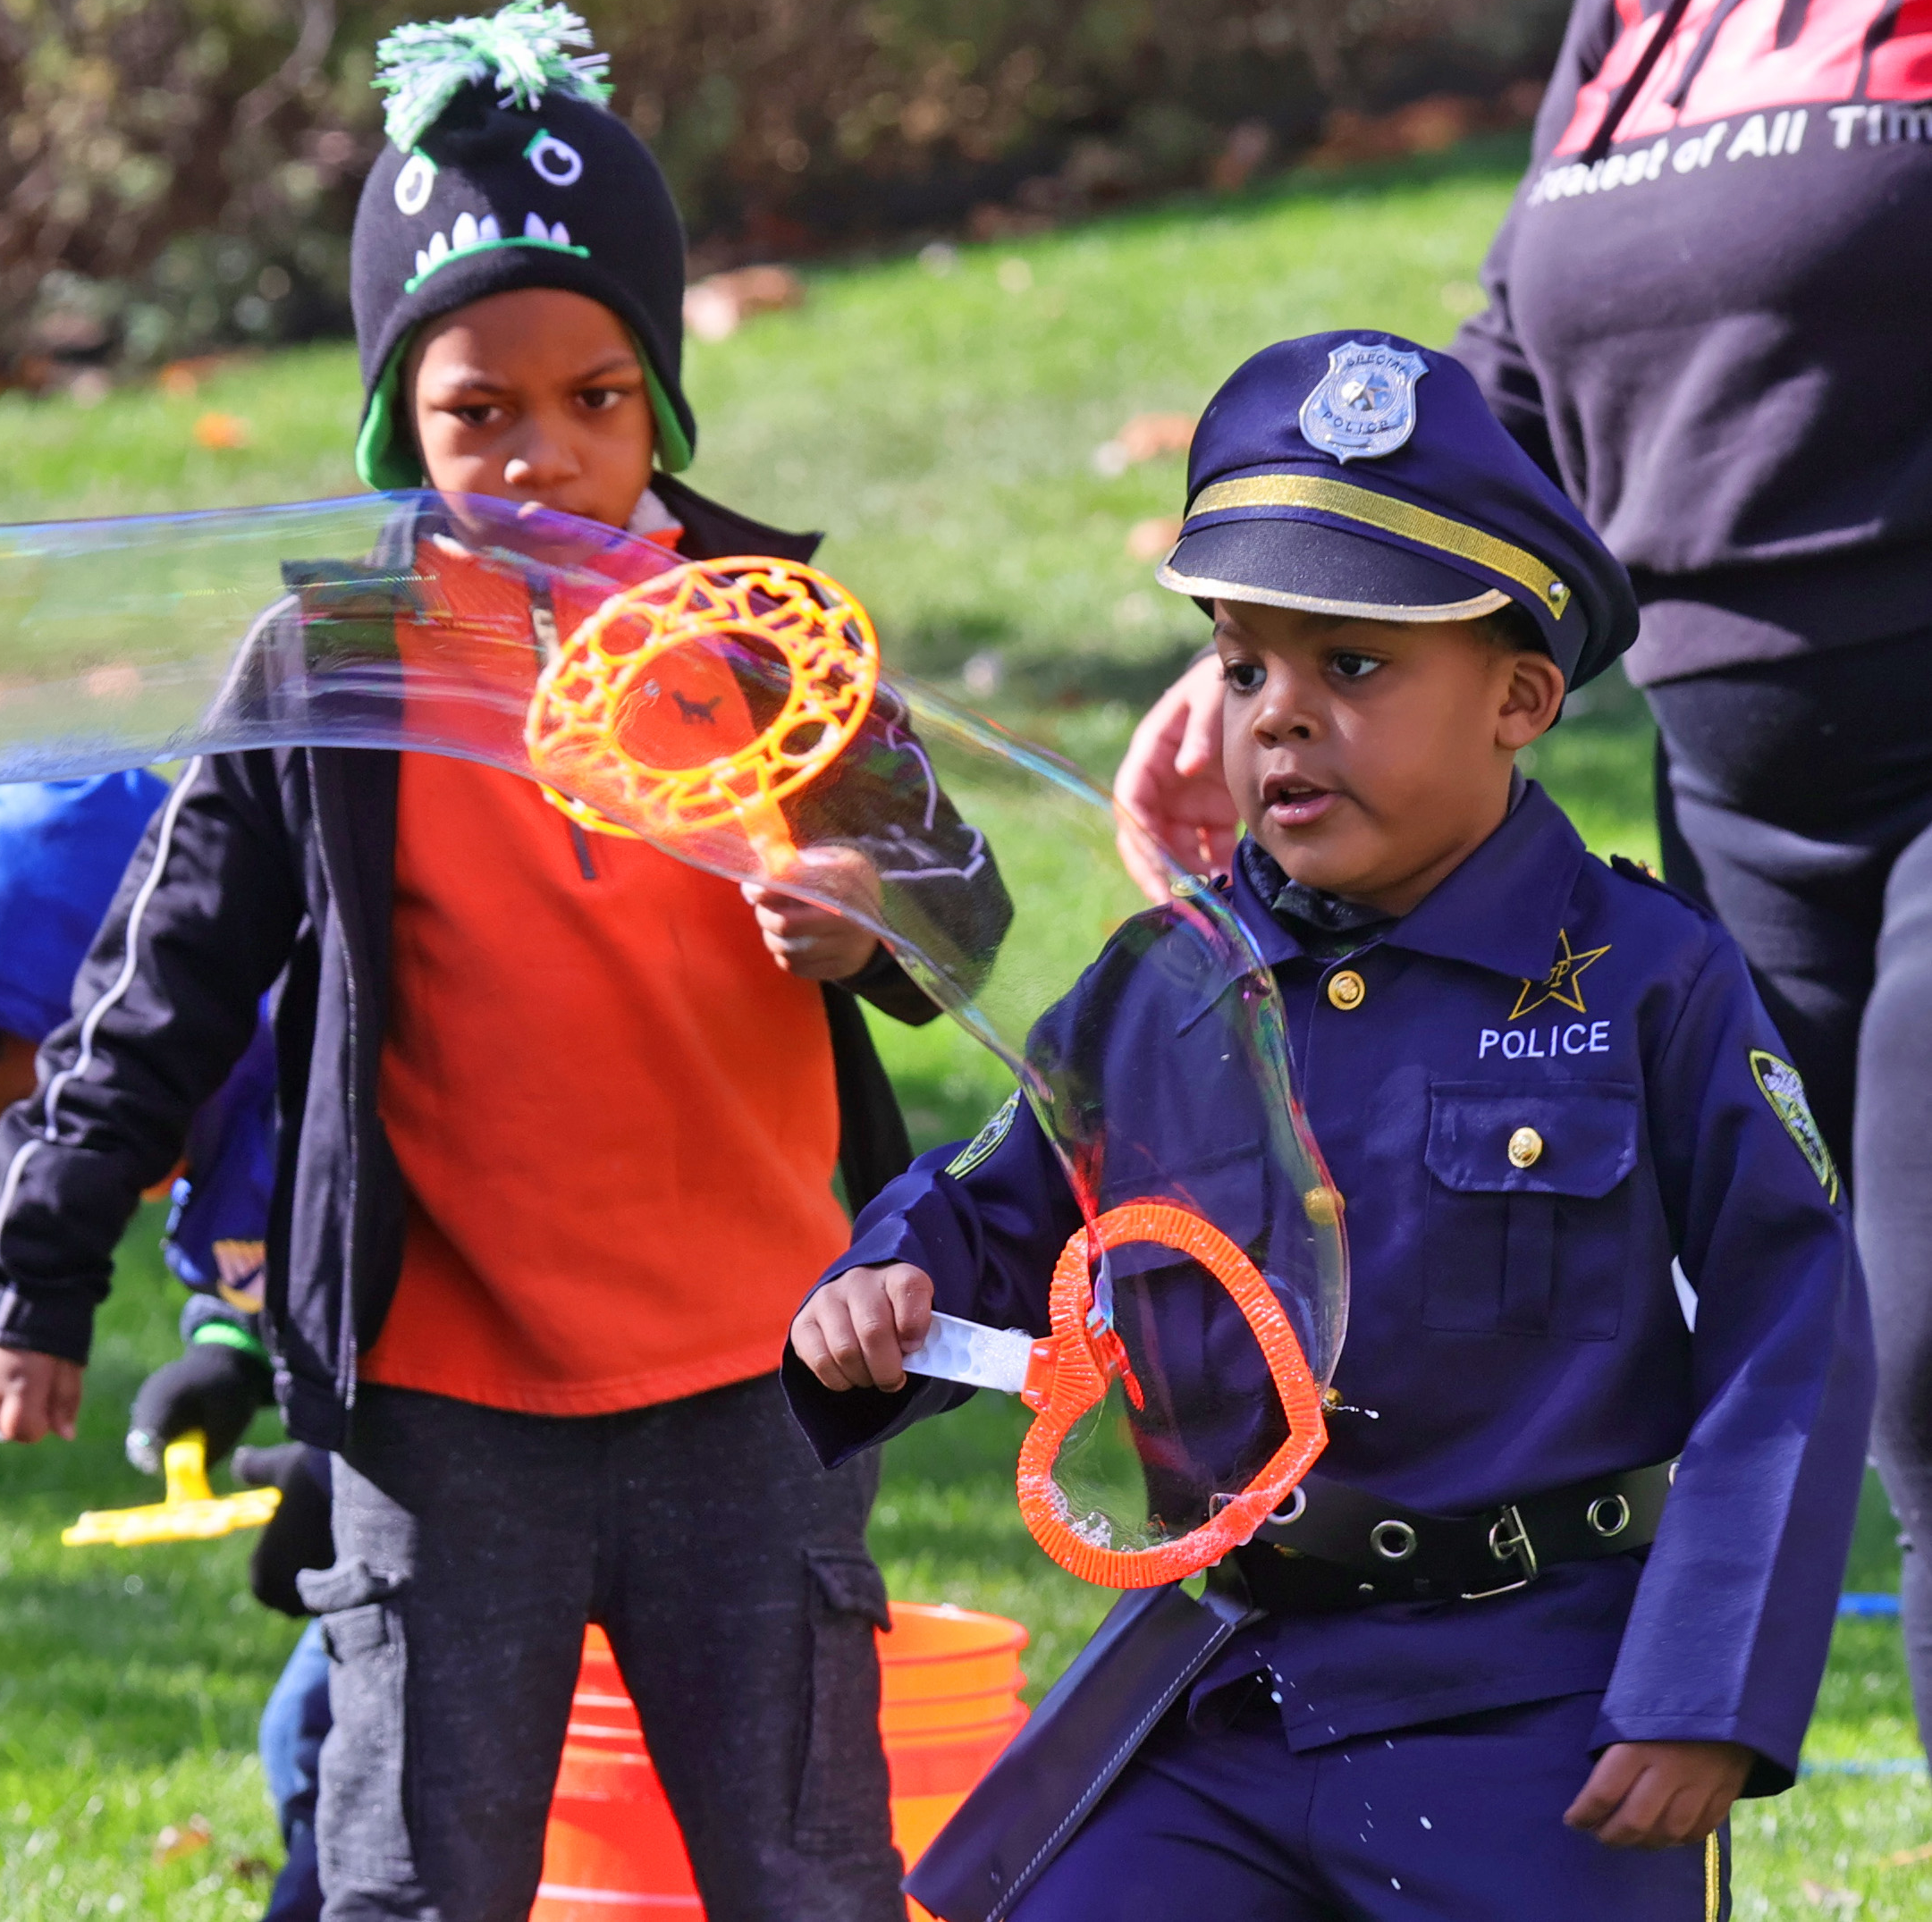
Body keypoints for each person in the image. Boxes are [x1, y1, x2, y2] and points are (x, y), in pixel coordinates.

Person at [0, 0, 961, 1922]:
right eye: (474, 410)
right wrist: (30, 1271)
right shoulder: (332, 669)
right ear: (394, 423)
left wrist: (869, 915)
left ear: (658, 394)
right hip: (443, 1404)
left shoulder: (766, 639)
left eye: (595, 396)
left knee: (807, 1876)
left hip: (760, 1384)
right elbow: (151, 991)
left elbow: (956, 908)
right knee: (410, 1880)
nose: (543, 454)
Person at [798, 333, 1873, 1918]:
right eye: (1242, 668)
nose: (1278, 718)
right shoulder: (1166, 981)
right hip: (1235, 1682)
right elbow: (996, 1203)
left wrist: (1706, 1689)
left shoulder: (1648, 981)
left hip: (1539, 1715)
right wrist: (883, 1287)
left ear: (1520, 699)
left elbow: (1796, 1324)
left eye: (1350, 667)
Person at [1115, 0, 1932, 1754]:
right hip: (1736, 797)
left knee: (1925, 1325)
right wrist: (1260, 662)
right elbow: (1502, 387)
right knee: (1787, 1323)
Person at [0, 776, 330, 1919]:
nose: (117, 1179)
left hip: (520, 1481)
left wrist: (340, 1475)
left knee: (335, 1745)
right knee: (310, 1735)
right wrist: (224, 1353)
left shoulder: (316, 1097)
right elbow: (250, 1278)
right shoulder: (219, 1112)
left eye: (75, 1118)